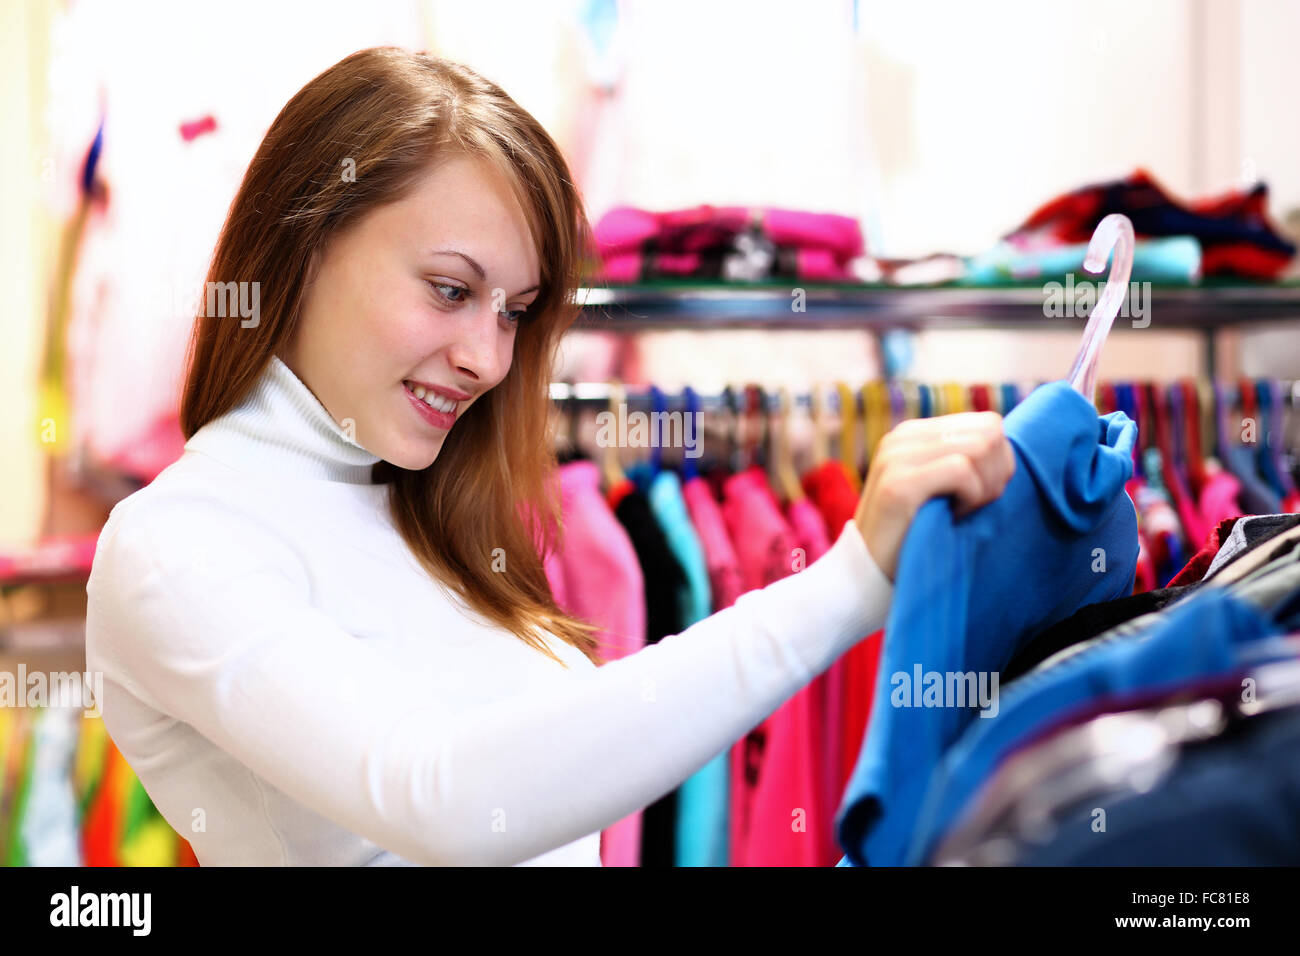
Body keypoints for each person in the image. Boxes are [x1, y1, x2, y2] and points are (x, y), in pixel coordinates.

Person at [84, 47, 1014, 866]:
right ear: (303, 247)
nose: (489, 360)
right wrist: (847, 581)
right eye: (451, 289)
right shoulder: (177, 547)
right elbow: (443, 800)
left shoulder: (428, 511)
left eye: (515, 311)